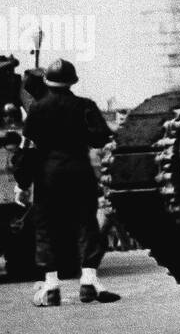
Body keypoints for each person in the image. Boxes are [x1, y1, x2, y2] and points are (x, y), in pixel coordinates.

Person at [21, 59, 117, 305]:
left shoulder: (37, 109)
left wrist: (22, 182)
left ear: (47, 81)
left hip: (47, 175)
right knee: (86, 224)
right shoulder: (84, 106)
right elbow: (100, 138)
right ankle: (88, 281)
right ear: (73, 81)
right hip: (79, 172)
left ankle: (51, 287)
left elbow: (29, 149)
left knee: (46, 229)